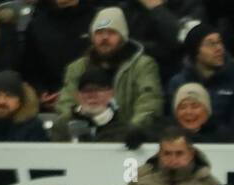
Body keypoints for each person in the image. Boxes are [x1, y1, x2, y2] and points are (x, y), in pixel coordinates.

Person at [53, 6, 163, 140]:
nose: (104, 38)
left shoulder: (143, 65)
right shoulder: (76, 68)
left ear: (122, 37)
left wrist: (133, 129)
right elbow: (66, 102)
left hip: (127, 137)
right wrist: (75, 118)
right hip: (83, 138)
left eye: (111, 32)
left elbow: (149, 101)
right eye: (99, 33)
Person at [166, 22, 234, 137]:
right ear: (196, 52)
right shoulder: (178, 83)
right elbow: (172, 125)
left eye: (219, 42)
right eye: (210, 44)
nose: (219, 48)